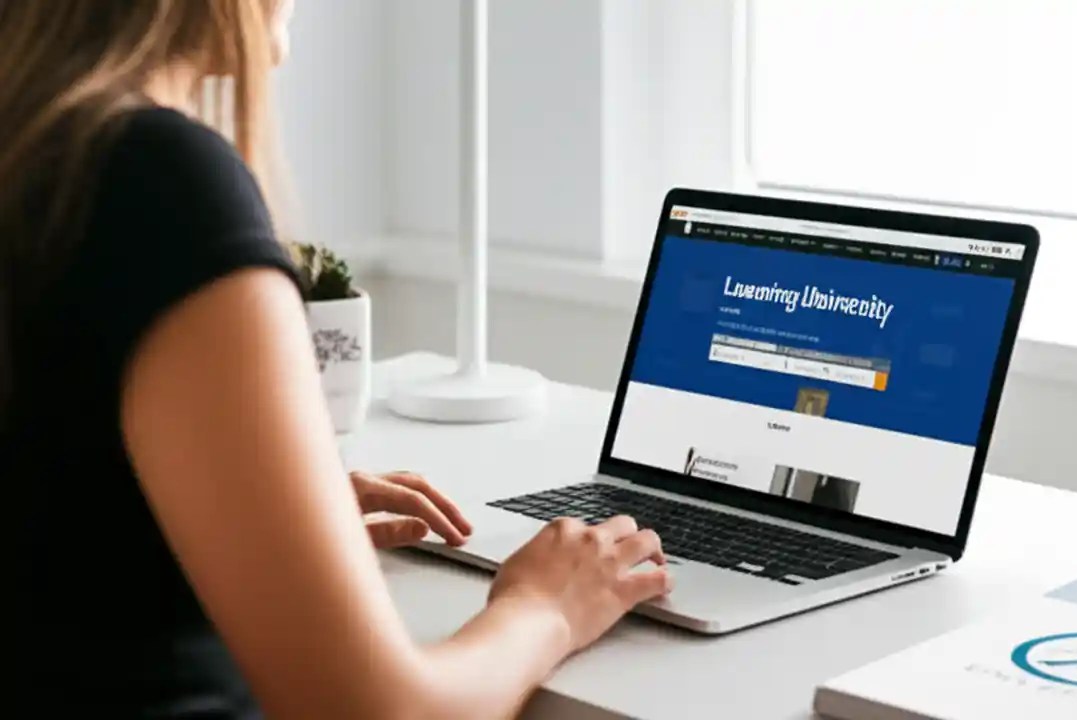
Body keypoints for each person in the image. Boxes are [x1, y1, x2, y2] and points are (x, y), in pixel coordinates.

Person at [0, 2, 669, 717]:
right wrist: (549, 607)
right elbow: (376, 712)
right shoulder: (153, 181)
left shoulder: (32, 150)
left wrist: (260, 514)